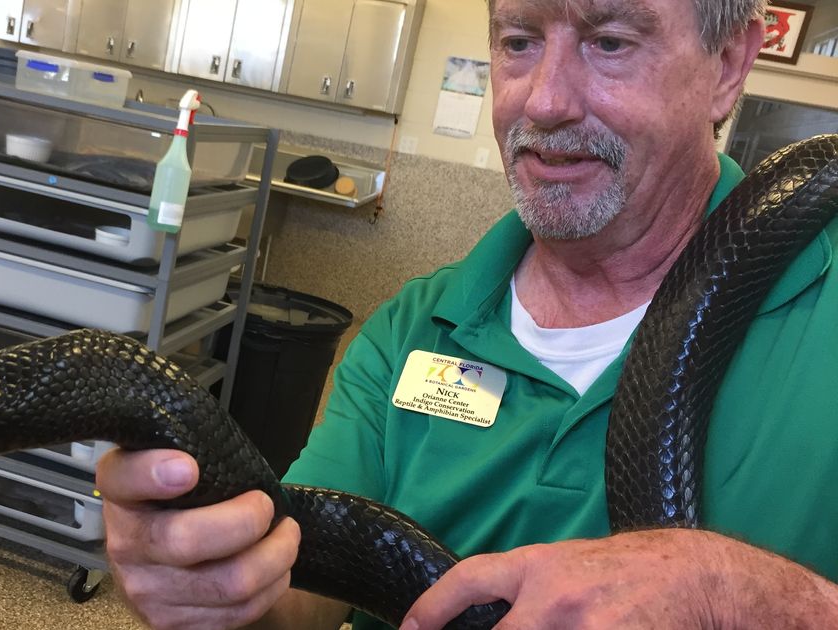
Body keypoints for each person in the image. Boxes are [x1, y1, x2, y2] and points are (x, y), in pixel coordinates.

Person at [96, 0, 838, 628]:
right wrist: (211, 587)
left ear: (729, 65)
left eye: (610, 42)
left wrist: (733, 594)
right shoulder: (408, 329)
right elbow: (305, 594)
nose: (543, 101)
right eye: (518, 41)